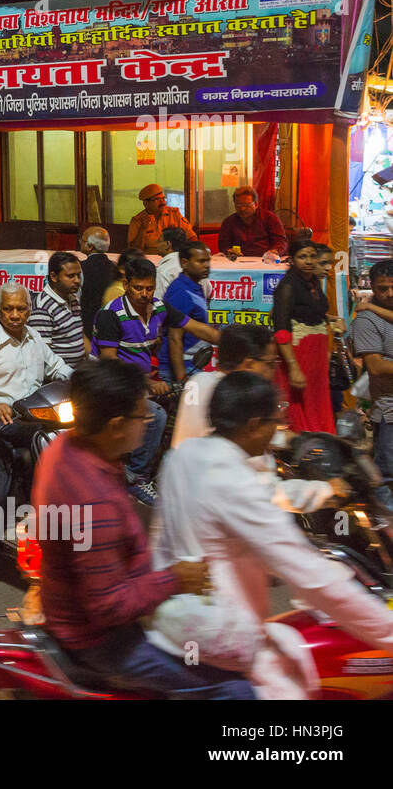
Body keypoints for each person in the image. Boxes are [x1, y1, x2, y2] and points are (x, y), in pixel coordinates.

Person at [150, 370, 393, 698]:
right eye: (274, 422)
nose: (277, 430)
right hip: (218, 635)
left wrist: (319, 487)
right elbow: (308, 574)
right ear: (252, 426)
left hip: (176, 619)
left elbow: (265, 501)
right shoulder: (234, 479)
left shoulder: (184, 456)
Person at [32, 358, 253, 698]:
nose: (148, 420)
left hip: (73, 608)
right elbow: (109, 607)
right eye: (142, 414)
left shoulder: (65, 446)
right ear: (117, 425)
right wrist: (177, 578)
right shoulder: (92, 502)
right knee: (233, 686)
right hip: (103, 642)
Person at [0, 283, 74, 597]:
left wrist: (81, 380)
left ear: (29, 309)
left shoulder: (35, 339)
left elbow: (58, 367)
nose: (14, 315)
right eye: (8, 309)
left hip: (30, 425)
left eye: (21, 308)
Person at [93, 256, 219, 503]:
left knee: (186, 402)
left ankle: (168, 473)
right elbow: (109, 361)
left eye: (149, 288)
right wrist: (147, 383)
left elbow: (194, 326)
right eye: (138, 288)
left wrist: (230, 341)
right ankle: (138, 478)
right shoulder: (111, 315)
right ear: (126, 284)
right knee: (155, 416)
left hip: (140, 382)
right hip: (110, 384)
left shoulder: (159, 308)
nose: (144, 293)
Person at [171, 323, 280, 450]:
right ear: (249, 364)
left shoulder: (200, 380)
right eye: (270, 364)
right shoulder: (232, 391)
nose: (273, 372)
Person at [273, 239, 343, 434]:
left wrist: (331, 320)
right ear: (292, 260)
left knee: (316, 399)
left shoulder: (312, 282)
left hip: (316, 355)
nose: (309, 261)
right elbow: (281, 330)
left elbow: (312, 312)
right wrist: (293, 367)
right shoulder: (287, 287)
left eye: (312, 256)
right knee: (299, 404)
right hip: (298, 354)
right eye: (302, 257)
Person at [352, 259, 393, 499]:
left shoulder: (374, 311)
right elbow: (376, 367)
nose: (390, 294)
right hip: (389, 411)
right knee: (387, 477)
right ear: (372, 287)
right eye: (382, 289)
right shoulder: (366, 321)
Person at [159, 240, 217, 384]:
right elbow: (174, 338)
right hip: (183, 367)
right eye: (201, 261)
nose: (207, 266)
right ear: (184, 263)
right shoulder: (181, 292)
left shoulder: (194, 286)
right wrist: (181, 379)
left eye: (208, 261)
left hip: (192, 364)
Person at [26, 251, 89, 368]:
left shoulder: (73, 298)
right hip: (58, 380)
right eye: (71, 276)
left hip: (78, 374)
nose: (77, 280)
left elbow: (80, 335)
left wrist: (94, 362)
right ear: (54, 277)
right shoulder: (42, 308)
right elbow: (44, 357)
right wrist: (68, 375)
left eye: (78, 275)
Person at [218, 186, 286, 258]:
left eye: (246, 205)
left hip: (266, 261)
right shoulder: (229, 222)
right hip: (238, 262)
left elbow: (281, 242)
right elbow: (223, 245)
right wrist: (229, 251)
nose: (242, 209)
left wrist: (274, 251)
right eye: (238, 205)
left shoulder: (270, 218)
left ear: (256, 204)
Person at [127, 183, 195, 253]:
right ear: (146, 203)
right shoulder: (138, 220)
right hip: (150, 258)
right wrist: (143, 230)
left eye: (163, 198)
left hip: (173, 256)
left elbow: (191, 236)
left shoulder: (174, 214)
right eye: (157, 199)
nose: (163, 202)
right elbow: (133, 249)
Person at [78, 226, 115, 342]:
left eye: (82, 240)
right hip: (111, 326)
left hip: (86, 328)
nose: (79, 242)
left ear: (89, 246)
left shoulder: (79, 269)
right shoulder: (116, 268)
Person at [153, 227, 188, 301]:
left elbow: (158, 301)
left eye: (159, 241)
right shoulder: (192, 265)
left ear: (168, 244)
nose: (156, 244)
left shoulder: (163, 270)